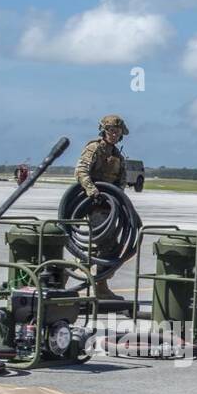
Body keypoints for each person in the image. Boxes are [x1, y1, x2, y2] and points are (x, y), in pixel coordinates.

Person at [74, 114, 132, 300]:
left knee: (114, 248)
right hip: (93, 205)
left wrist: (117, 200)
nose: (114, 135)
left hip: (110, 207)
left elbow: (120, 182)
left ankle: (97, 277)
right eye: (111, 131)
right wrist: (92, 191)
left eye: (117, 132)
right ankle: (98, 283)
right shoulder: (95, 148)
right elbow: (81, 171)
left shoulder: (118, 156)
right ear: (104, 131)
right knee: (107, 244)